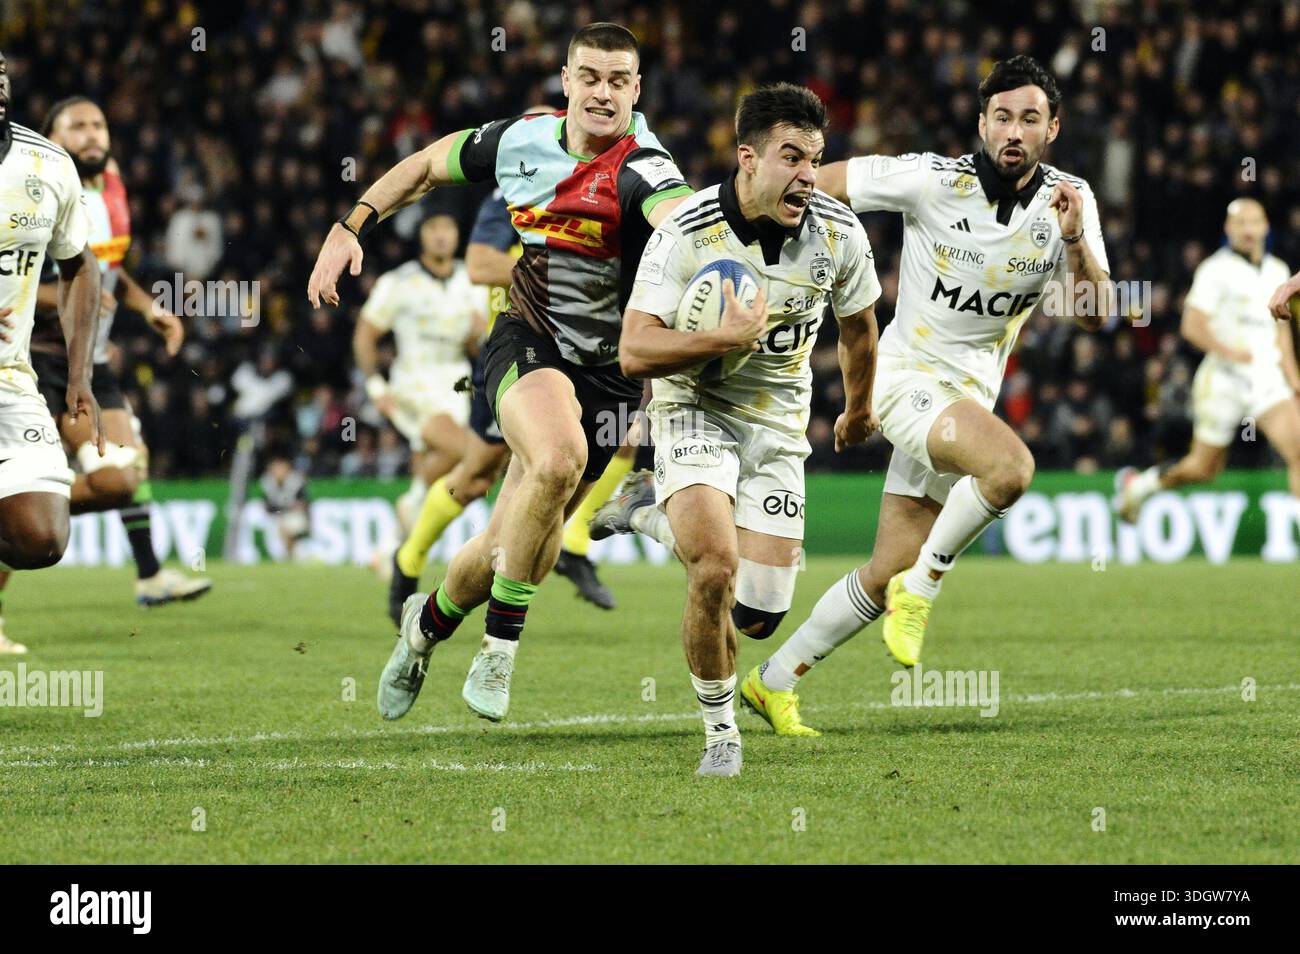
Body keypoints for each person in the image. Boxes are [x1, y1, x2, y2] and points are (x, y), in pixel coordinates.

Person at [307, 23, 692, 722]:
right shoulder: (520, 142)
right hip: (528, 341)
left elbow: (685, 222)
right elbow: (424, 166)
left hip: (611, 376)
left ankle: (423, 629)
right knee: (557, 458)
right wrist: (349, 226)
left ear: (636, 92)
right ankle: (499, 652)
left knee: (509, 550)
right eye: (590, 77)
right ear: (568, 81)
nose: (603, 93)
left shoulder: (647, 168)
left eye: (618, 81)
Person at [745, 55, 1111, 727]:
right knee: (1011, 469)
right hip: (906, 380)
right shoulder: (931, 179)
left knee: (883, 570)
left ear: (1051, 128)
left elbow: (1095, 313)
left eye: (1029, 118)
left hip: (966, 403)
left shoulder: (1070, 201)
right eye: (1001, 116)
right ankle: (927, 587)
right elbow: (819, 180)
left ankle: (774, 678)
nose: (1013, 130)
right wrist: (760, 217)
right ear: (981, 122)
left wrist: (1076, 240)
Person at [599, 83, 881, 776]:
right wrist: (721, 340)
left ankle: (643, 511)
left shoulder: (839, 233)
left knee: (757, 615)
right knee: (715, 570)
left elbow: (859, 327)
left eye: (816, 158)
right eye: (793, 157)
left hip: (779, 426)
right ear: (748, 158)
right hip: (694, 407)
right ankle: (721, 733)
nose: (809, 175)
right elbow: (635, 350)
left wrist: (858, 409)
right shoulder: (685, 233)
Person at [386, 176, 639, 621]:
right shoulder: (512, 194)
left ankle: (573, 547)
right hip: (516, 355)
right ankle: (409, 558)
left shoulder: (598, 193)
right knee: (476, 477)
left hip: (580, 351)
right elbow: (481, 266)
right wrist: (568, 269)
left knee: (618, 439)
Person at [33, 95, 210, 606]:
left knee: (128, 473)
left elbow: (108, 266)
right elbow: (16, 284)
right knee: (110, 479)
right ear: (51, 140)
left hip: (96, 358)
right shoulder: (37, 193)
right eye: (78, 126)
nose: (92, 134)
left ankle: (150, 574)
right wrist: (71, 293)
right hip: (39, 358)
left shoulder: (109, 186)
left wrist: (146, 307)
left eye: (99, 125)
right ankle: (21, 511)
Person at [0, 51, 103, 648]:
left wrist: (79, 375)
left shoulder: (46, 163)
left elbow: (81, 268)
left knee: (42, 540)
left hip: (12, 378)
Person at [1117, 199, 1300, 517]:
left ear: (1266, 227)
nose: (1247, 229)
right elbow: (1191, 326)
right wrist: (1230, 352)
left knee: (1298, 450)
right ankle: (1143, 485)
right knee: (1204, 469)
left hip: (1266, 378)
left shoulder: (1279, 271)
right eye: (1240, 223)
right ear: (1228, 229)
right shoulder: (1215, 270)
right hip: (1223, 379)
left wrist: (1294, 379)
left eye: (1254, 222)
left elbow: (1281, 333)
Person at [353, 211, 484, 591]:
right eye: (434, 229)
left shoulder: (471, 279)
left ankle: (400, 527)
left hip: (458, 381)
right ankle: (410, 520)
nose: (442, 235)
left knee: (449, 460)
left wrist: (478, 335)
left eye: (448, 227)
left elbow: (475, 346)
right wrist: (377, 388)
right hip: (413, 382)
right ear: (422, 236)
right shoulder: (399, 282)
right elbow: (365, 335)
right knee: (462, 450)